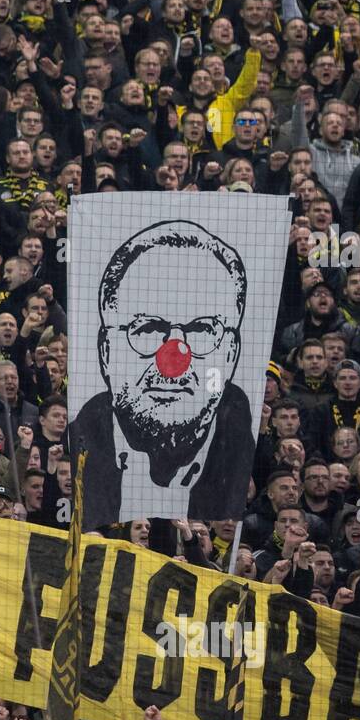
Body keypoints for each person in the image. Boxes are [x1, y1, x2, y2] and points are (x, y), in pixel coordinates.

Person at [72, 220, 253, 525]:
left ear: (231, 354)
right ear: (105, 352)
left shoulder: (247, 463)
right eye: (148, 328)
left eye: (201, 329)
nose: (173, 358)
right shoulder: (72, 454)